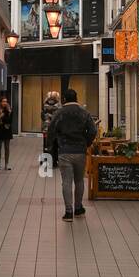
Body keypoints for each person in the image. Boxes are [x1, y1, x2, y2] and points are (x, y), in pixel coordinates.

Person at [46, 88, 97, 221]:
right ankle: (78, 208)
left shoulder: (59, 113)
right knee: (79, 180)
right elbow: (93, 130)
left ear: (64, 99)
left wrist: (51, 146)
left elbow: (51, 129)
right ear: (76, 98)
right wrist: (86, 142)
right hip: (80, 151)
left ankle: (68, 212)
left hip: (64, 151)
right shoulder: (84, 112)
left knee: (66, 182)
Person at [0, 95, 13, 169]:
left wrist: (3, 117)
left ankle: (6, 164)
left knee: (7, 148)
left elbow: (10, 121)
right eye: (3, 101)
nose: (5, 103)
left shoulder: (9, 110)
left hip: (7, 130)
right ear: (0, 102)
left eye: (6, 101)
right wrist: (0, 117)